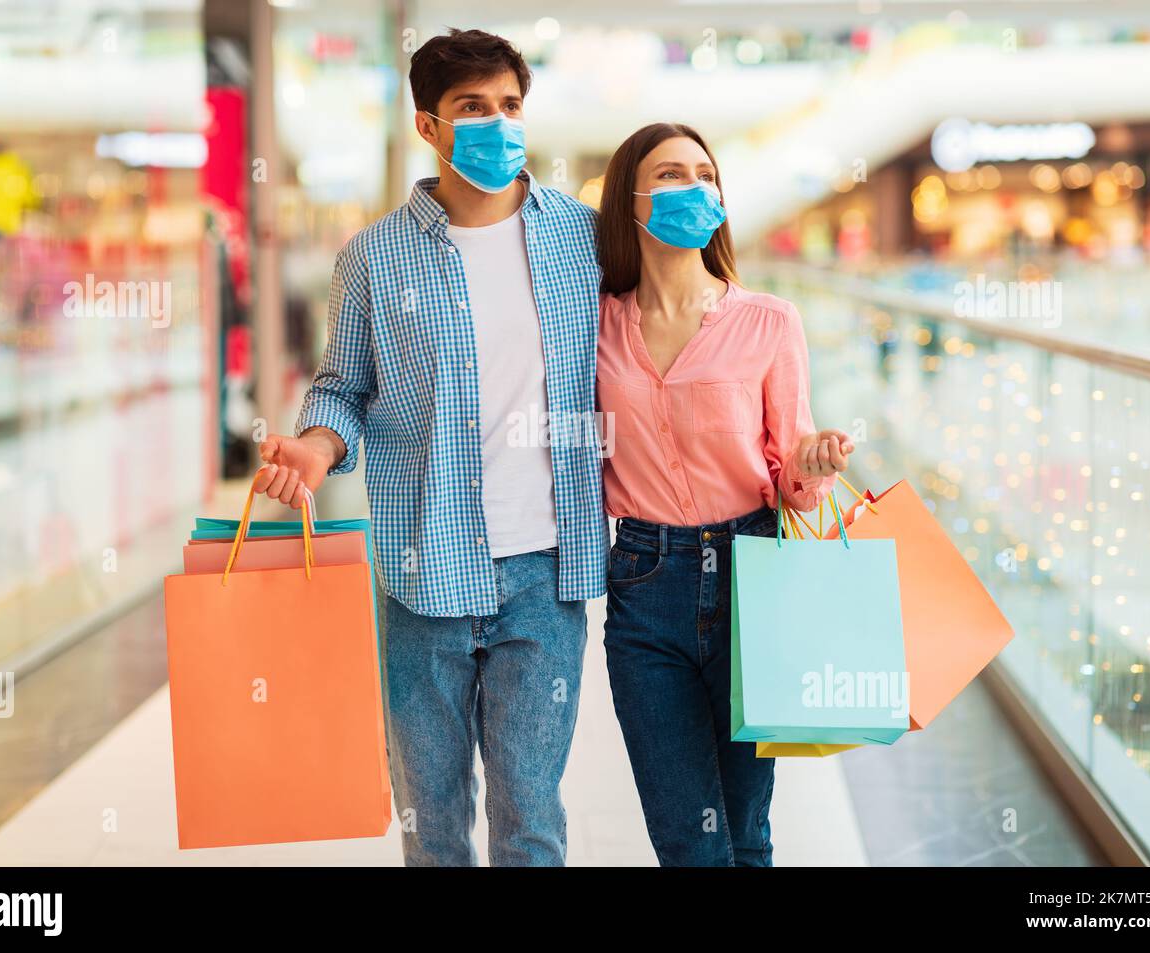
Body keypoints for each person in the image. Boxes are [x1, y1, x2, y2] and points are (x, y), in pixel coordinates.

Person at [252, 29, 607, 866]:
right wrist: (315, 445)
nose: (496, 125)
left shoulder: (583, 242)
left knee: (531, 821)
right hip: (422, 574)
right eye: (471, 109)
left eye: (510, 107)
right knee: (433, 824)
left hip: (545, 575)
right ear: (427, 125)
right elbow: (345, 386)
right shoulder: (373, 258)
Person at [595, 122, 856, 866]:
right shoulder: (596, 325)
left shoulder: (770, 321)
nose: (695, 188)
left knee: (746, 833)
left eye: (706, 175)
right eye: (672, 174)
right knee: (687, 840)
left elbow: (795, 485)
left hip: (752, 572)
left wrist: (813, 463)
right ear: (633, 198)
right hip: (645, 586)